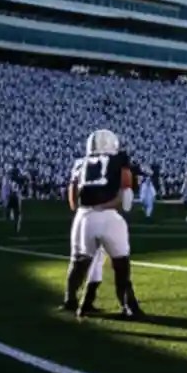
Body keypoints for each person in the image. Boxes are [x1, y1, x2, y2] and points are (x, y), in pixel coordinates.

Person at [63, 129, 143, 319]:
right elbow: (126, 195)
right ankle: (128, 306)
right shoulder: (120, 160)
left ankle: (72, 301)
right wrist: (109, 205)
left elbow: (73, 199)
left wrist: (86, 209)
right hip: (108, 215)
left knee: (80, 261)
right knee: (121, 263)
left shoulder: (79, 163)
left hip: (83, 216)